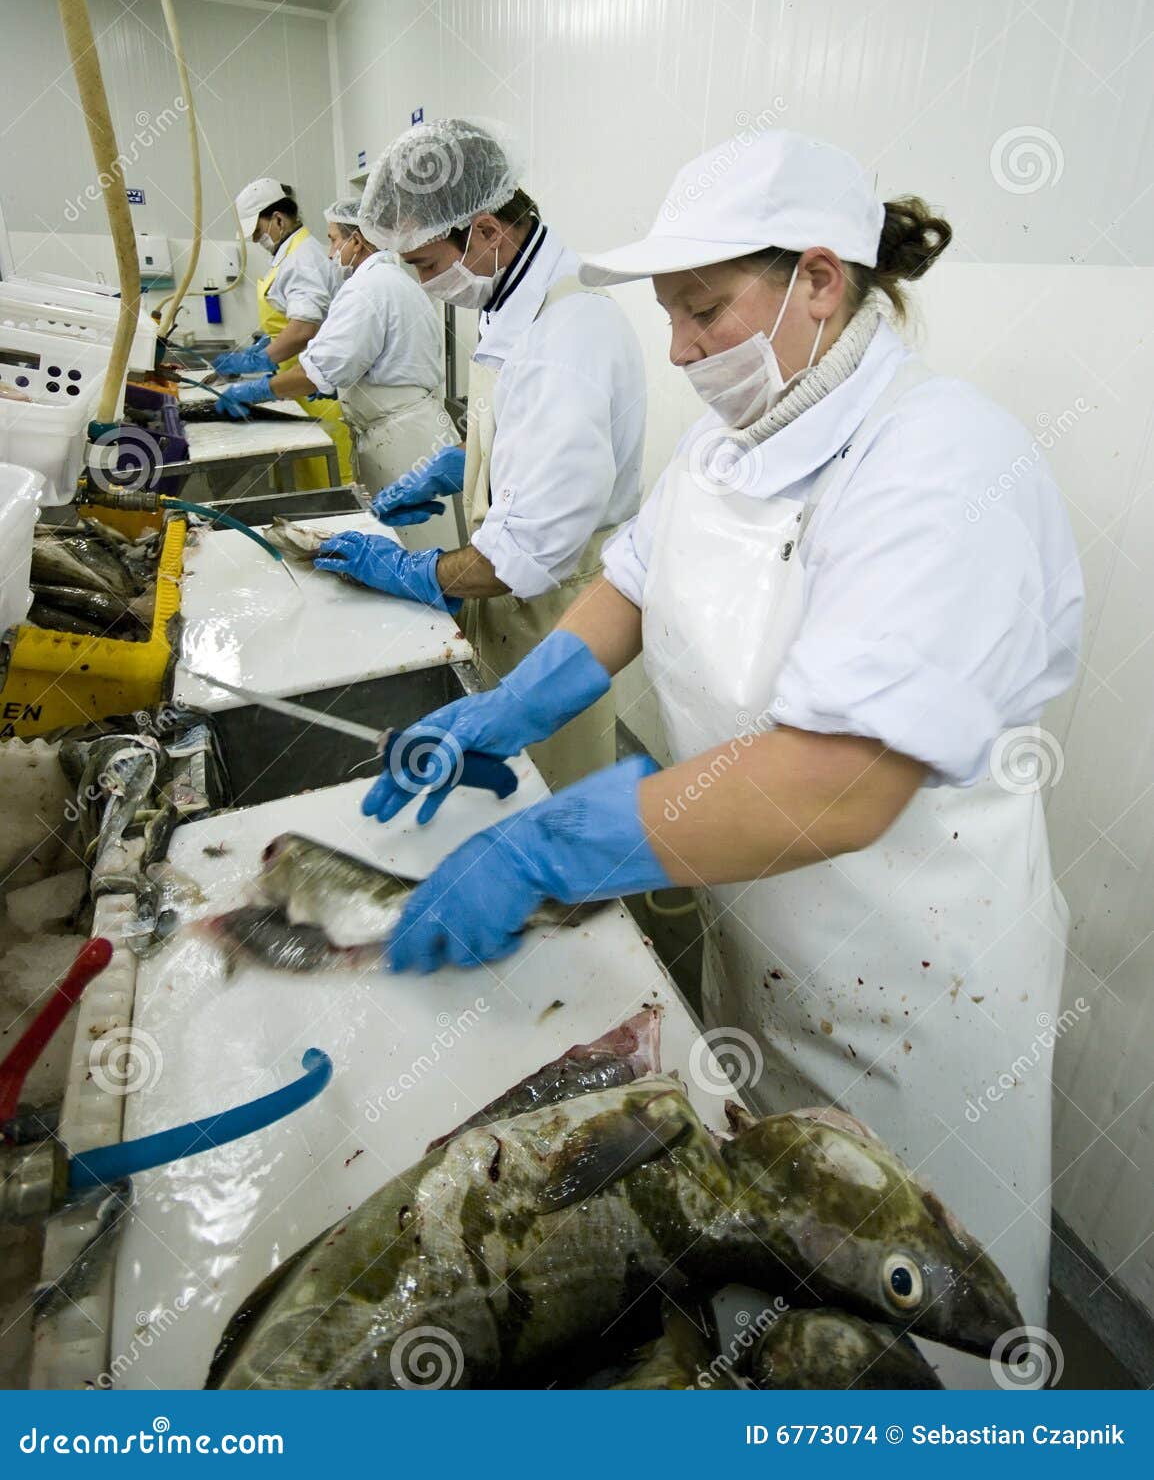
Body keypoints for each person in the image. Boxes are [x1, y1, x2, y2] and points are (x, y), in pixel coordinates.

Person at [355, 128, 1084, 1346]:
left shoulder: (940, 464)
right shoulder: (733, 437)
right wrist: (510, 702)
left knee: (911, 1322)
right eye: (672, 317)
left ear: (817, 277)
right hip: (764, 941)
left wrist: (548, 845)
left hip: (913, 984)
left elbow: (837, 783)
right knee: (778, 1298)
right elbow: (632, 585)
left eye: (703, 312)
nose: (683, 351)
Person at [313, 119, 647, 790]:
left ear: (488, 231)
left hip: (554, 613)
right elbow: (530, 431)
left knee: (550, 791)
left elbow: (523, 554)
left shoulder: (569, 335)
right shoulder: (511, 300)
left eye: (428, 266)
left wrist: (415, 569)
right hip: (517, 605)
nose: (426, 284)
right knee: (511, 784)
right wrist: (467, 463)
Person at [215, 200, 460, 548]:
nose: (330, 252)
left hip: (402, 438)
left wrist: (257, 391)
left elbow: (313, 373)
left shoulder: (367, 289)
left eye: (333, 240)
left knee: (417, 546)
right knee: (418, 542)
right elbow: (376, 357)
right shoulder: (391, 280)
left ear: (356, 241)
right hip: (407, 425)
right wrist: (343, 387)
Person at [215, 178, 351, 486]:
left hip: (316, 393)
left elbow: (303, 329)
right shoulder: (289, 254)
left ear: (278, 218)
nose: (256, 240)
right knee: (304, 486)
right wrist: (268, 343)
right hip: (294, 387)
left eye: (258, 232)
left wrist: (259, 361)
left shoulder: (303, 257)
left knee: (328, 488)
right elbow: (293, 319)